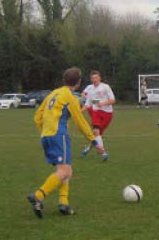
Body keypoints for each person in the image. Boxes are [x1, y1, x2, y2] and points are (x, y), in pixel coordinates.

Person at [27, 67, 107, 218]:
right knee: (64, 171)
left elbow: (37, 116)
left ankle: (63, 204)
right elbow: (80, 121)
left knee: (65, 170)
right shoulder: (70, 97)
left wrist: (44, 131)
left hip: (46, 135)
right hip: (59, 136)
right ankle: (38, 195)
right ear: (78, 82)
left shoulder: (53, 93)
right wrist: (94, 141)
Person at [80, 71, 115, 161]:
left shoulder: (105, 87)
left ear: (100, 78)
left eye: (96, 78)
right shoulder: (90, 89)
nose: (94, 80)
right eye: (92, 78)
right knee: (96, 131)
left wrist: (103, 103)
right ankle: (103, 152)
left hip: (108, 113)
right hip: (96, 112)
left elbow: (113, 100)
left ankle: (87, 148)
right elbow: (87, 104)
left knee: (97, 135)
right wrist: (78, 112)